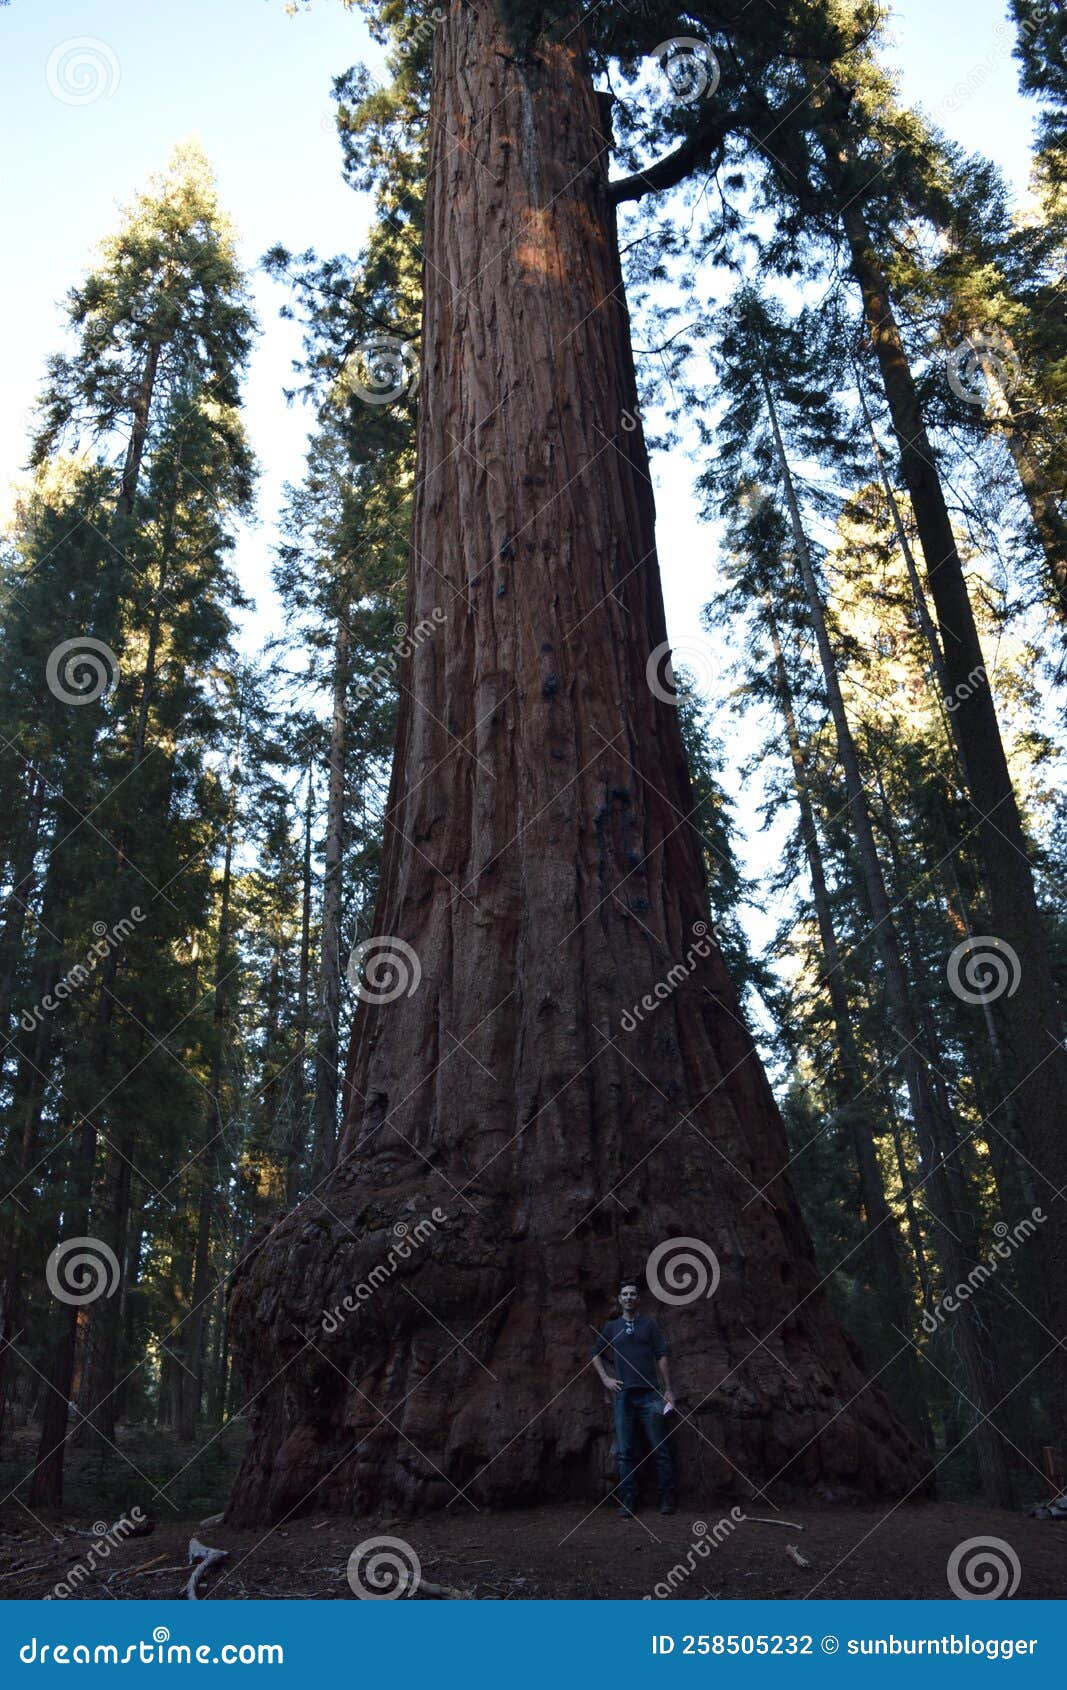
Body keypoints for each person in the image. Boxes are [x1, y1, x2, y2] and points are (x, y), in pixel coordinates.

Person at [591, 1277, 676, 1517]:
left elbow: (661, 1356)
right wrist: (605, 1379)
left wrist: (668, 1389)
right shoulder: (612, 1327)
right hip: (624, 1397)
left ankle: (667, 1497)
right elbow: (595, 1353)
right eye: (624, 1294)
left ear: (638, 1299)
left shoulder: (649, 1325)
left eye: (632, 1294)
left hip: (650, 1394)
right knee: (625, 1451)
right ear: (620, 1300)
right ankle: (628, 1500)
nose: (629, 1297)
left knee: (659, 1447)